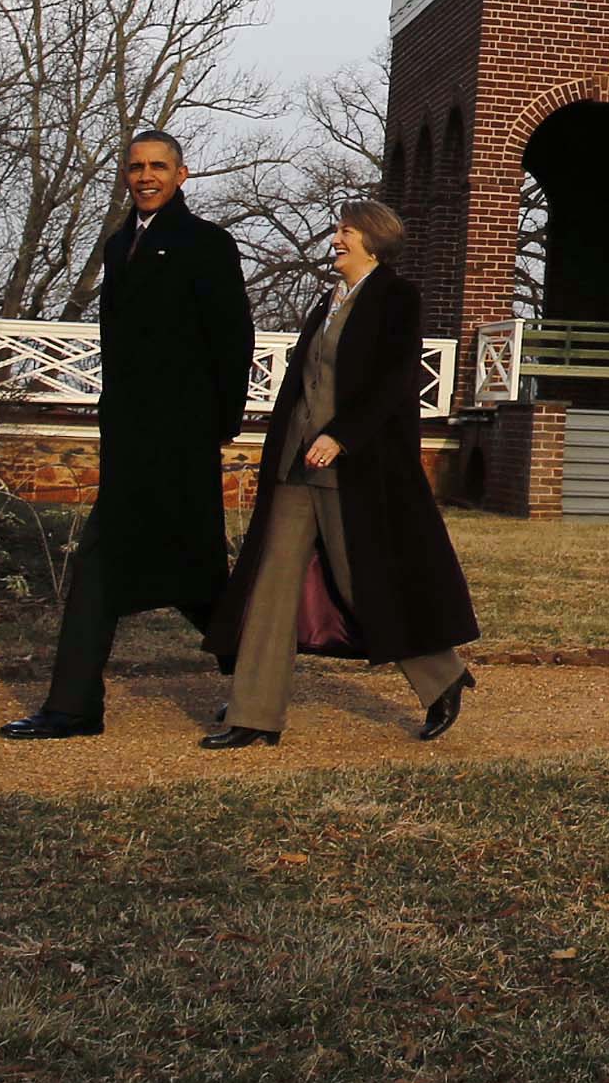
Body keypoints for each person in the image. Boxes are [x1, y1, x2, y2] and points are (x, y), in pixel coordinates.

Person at [1, 130, 254, 740]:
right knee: (142, 571)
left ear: (181, 175)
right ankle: (77, 706)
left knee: (169, 572)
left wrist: (216, 426)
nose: (145, 176)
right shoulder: (119, 247)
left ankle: (250, 683)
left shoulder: (207, 244)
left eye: (158, 167)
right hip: (129, 440)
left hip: (182, 440)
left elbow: (232, 338)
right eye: (136, 167)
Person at [204, 199, 479, 748]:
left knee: (362, 579)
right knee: (271, 583)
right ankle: (254, 713)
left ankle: (441, 677)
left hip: (356, 466)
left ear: (372, 240)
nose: (336, 239)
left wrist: (341, 435)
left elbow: (394, 379)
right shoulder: (327, 301)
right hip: (296, 465)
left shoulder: (396, 297)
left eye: (346, 231)